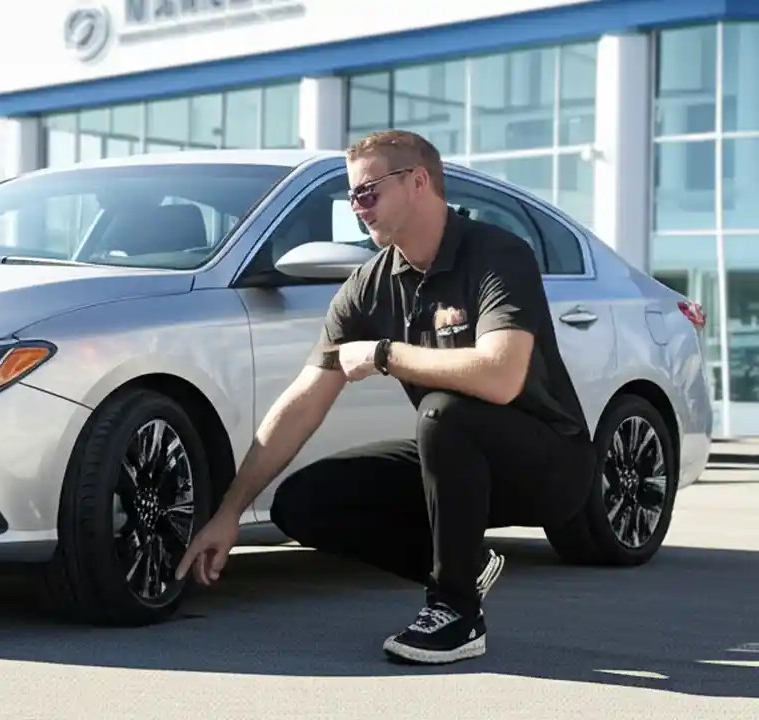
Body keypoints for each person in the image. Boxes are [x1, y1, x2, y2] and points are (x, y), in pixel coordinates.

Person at [174, 129, 595, 665]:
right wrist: (229, 513)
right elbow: (304, 400)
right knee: (304, 501)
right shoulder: (368, 286)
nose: (357, 208)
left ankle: (455, 611)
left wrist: (383, 354)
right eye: (351, 197)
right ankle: (461, 566)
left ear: (418, 182)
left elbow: (501, 377)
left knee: (445, 413)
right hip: (459, 462)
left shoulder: (496, 254)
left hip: (549, 465)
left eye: (367, 192)